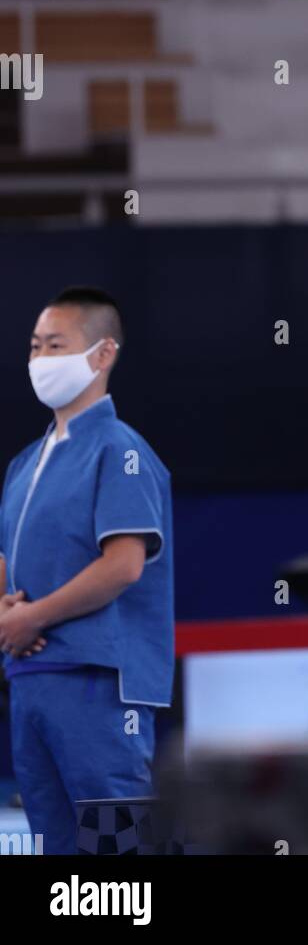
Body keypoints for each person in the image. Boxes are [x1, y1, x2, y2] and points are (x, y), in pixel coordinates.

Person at [0, 286, 173, 852]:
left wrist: (32, 620)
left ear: (102, 354)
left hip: (98, 683)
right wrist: (7, 616)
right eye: (34, 346)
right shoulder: (26, 463)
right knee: (57, 849)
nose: (41, 359)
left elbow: (123, 566)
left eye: (56, 345)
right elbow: (11, 562)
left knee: (116, 852)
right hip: (32, 681)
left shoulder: (121, 451)